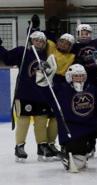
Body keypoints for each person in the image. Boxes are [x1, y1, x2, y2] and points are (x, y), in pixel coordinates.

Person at [2, 30, 60, 162]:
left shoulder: (47, 56)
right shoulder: (22, 52)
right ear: (31, 41)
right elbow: (6, 57)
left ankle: (42, 146)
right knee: (24, 120)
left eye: (42, 41)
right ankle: (19, 146)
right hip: (24, 94)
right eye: (36, 40)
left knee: (41, 121)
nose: (39, 43)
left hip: (41, 95)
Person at [48, 64, 97, 173]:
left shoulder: (91, 88)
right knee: (79, 164)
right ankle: (69, 152)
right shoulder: (62, 89)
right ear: (70, 77)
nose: (80, 79)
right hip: (74, 129)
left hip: (91, 125)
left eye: (82, 76)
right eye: (76, 76)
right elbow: (47, 94)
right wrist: (44, 78)